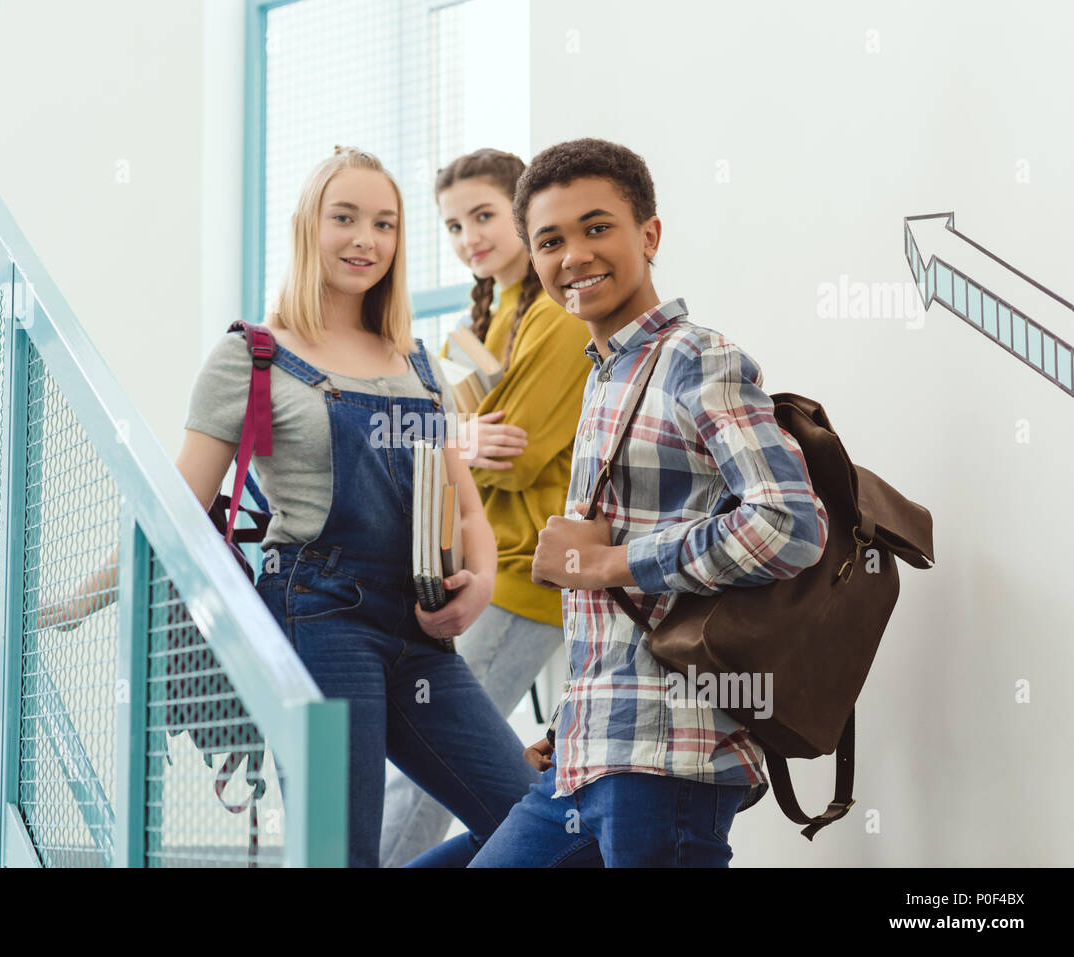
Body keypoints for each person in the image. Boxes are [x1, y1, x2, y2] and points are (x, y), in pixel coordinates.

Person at [409, 137, 829, 867]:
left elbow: (790, 523)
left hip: (666, 759)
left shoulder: (695, 358)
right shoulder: (604, 374)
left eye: (596, 228)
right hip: (587, 753)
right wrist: (573, 721)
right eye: (550, 239)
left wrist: (608, 562)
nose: (574, 254)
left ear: (649, 234)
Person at [171, 146, 538, 868]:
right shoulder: (253, 356)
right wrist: (79, 596)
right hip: (318, 615)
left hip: (421, 625)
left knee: (543, 824)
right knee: (339, 851)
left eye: (385, 223)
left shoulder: (418, 360)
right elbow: (177, 507)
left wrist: (483, 581)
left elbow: (465, 507)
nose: (365, 240)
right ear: (310, 225)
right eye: (345, 218)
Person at [379, 149, 591, 867]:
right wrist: (457, 440)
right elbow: (427, 445)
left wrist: (452, 440)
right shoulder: (479, 326)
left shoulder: (558, 316)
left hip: (523, 576)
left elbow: (518, 450)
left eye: (484, 215)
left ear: (524, 213)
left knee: (431, 776)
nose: (469, 235)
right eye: (452, 225)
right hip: (476, 569)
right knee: (452, 772)